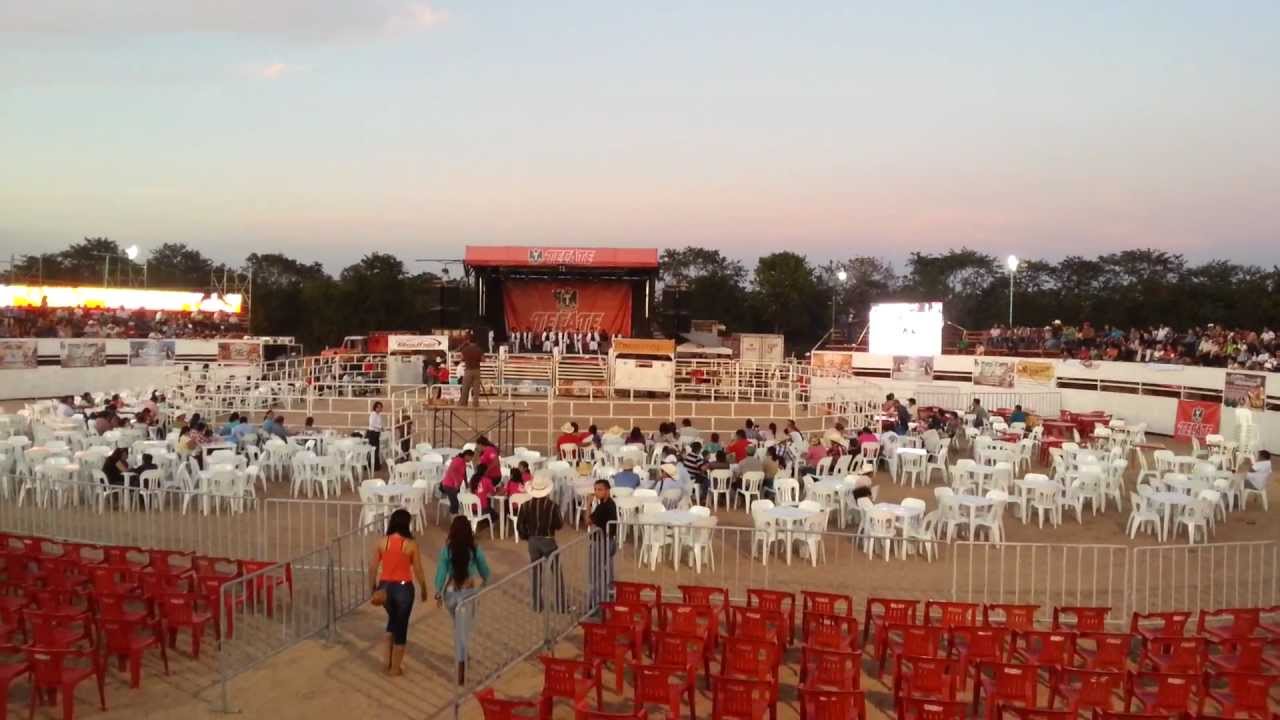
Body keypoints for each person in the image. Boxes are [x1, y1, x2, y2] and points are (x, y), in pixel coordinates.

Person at [367, 509, 429, 677]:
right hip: (403, 588)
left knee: (392, 622)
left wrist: (372, 588)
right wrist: (424, 588)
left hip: (385, 587)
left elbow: (372, 568)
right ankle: (395, 668)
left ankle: (386, 662)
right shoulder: (410, 545)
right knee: (401, 627)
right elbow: (418, 570)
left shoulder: (382, 542)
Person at [434, 515, 491, 685]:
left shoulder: (447, 549)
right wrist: (485, 583)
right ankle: (461, 667)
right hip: (468, 593)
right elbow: (485, 571)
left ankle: (463, 655)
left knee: (459, 627)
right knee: (462, 631)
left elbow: (441, 573)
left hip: (450, 593)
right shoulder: (474, 549)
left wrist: (438, 592)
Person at [516, 473, 564, 612]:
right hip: (548, 539)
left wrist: (528, 537)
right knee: (556, 573)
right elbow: (559, 524)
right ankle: (560, 605)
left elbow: (520, 525)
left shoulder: (525, 506)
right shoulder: (553, 506)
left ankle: (537, 605)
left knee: (536, 573)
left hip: (533, 541)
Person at [587, 479, 618, 607]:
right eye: (595, 489)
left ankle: (596, 603)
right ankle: (609, 595)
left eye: (599, 489)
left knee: (596, 573)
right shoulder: (608, 503)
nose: (596, 492)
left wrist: (588, 504)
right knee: (607, 570)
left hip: (601, 543)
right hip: (608, 541)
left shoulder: (604, 507)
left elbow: (588, 521)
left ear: (607, 490)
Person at [440, 448, 473, 514]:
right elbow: (452, 471)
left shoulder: (463, 462)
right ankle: (454, 520)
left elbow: (464, 473)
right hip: (449, 485)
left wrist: (466, 483)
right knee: (455, 503)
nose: (471, 459)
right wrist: (456, 482)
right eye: (470, 457)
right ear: (466, 455)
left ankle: (453, 517)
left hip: (455, 486)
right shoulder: (458, 460)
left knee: (456, 502)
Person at [459, 332, 484, 407]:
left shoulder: (465, 349)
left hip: (468, 370)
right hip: (477, 370)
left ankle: (463, 403)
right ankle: (475, 403)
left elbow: (462, 359)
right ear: (476, 342)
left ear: (469, 341)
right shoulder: (479, 349)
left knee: (465, 387)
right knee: (476, 389)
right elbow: (483, 359)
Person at [368, 401, 385, 471]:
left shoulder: (378, 415)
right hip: (372, 433)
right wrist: (380, 427)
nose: (380, 409)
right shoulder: (373, 414)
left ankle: (376, 465)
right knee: (373, 450)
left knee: (376, 450)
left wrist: (381, 428)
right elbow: (372, 424)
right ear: (376, 408)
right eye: (379, 407)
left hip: (376, 433)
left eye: (381, 407)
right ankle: (372, 466)